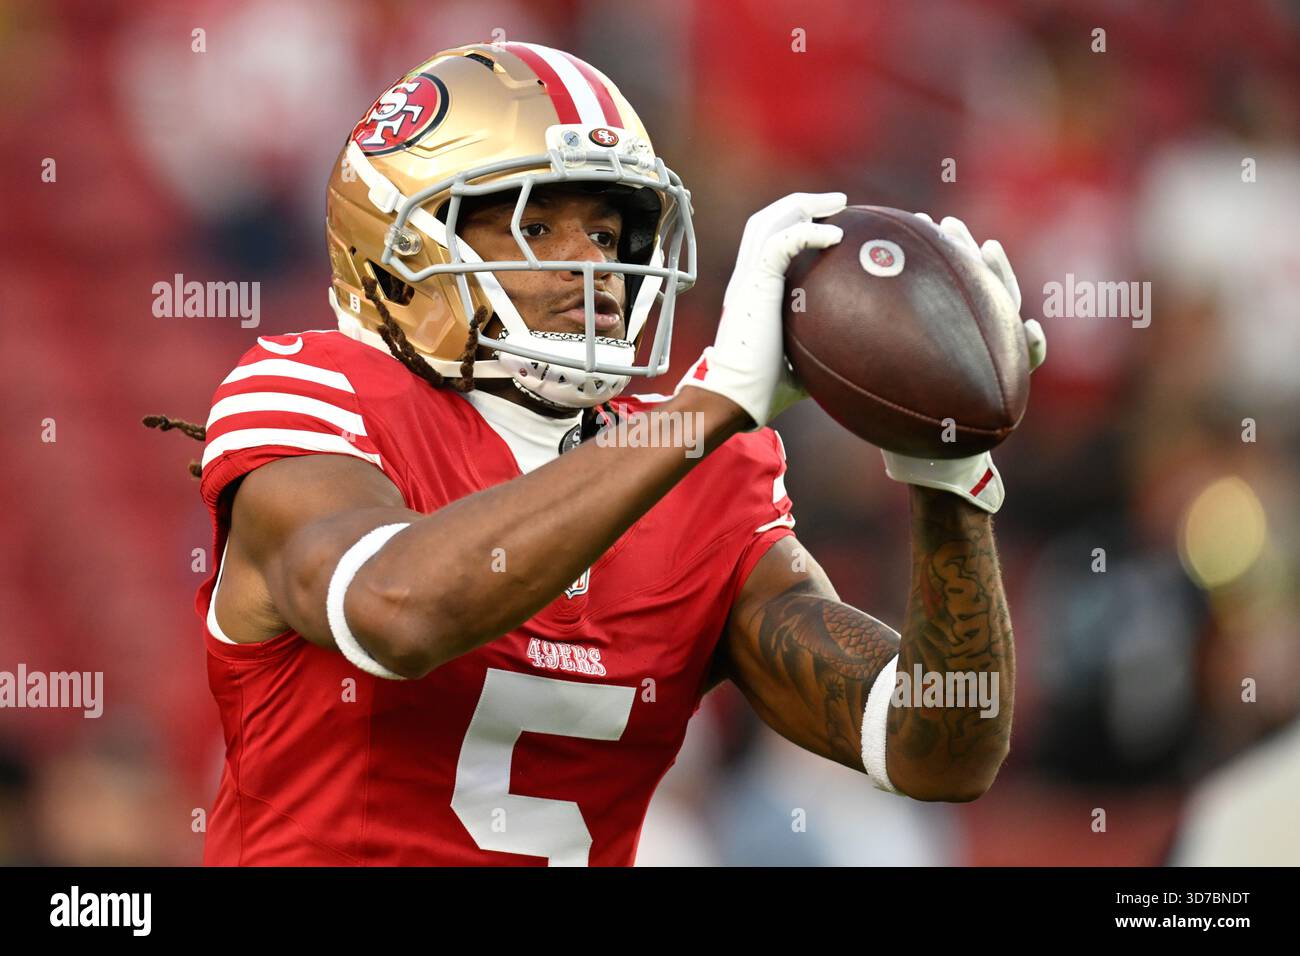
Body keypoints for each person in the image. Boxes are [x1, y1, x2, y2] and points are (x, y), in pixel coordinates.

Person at [154, 41, 1043, 865]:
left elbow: (936, 747)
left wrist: (949, 479)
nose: (599, 268)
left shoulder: (703, 476)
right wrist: (702, 412)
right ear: (399, 257)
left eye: (613, 235)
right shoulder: (316, 392)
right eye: (541, 230)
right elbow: (396, 612)